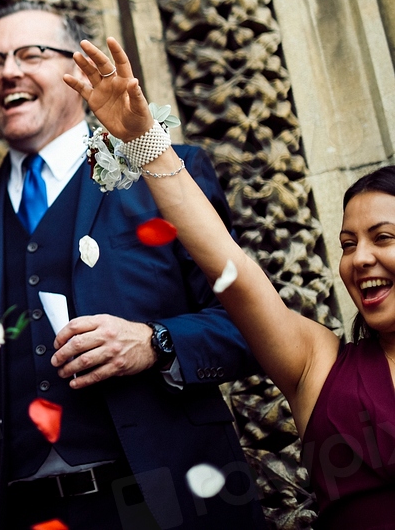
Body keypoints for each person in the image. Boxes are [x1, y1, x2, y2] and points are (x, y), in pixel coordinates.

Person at [0, 2, 265, 530]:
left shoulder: (168, 173)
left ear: (76, 69)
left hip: (169, 500)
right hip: (19, 514)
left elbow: (250, 323)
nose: (9, 71)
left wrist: (153, 342)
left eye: (31, 53)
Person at [70, 36, 395, 529]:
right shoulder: (317, 363)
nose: (360, 259)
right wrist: (144, 142)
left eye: (383, 238)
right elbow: (232, 270)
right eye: (348, 245)